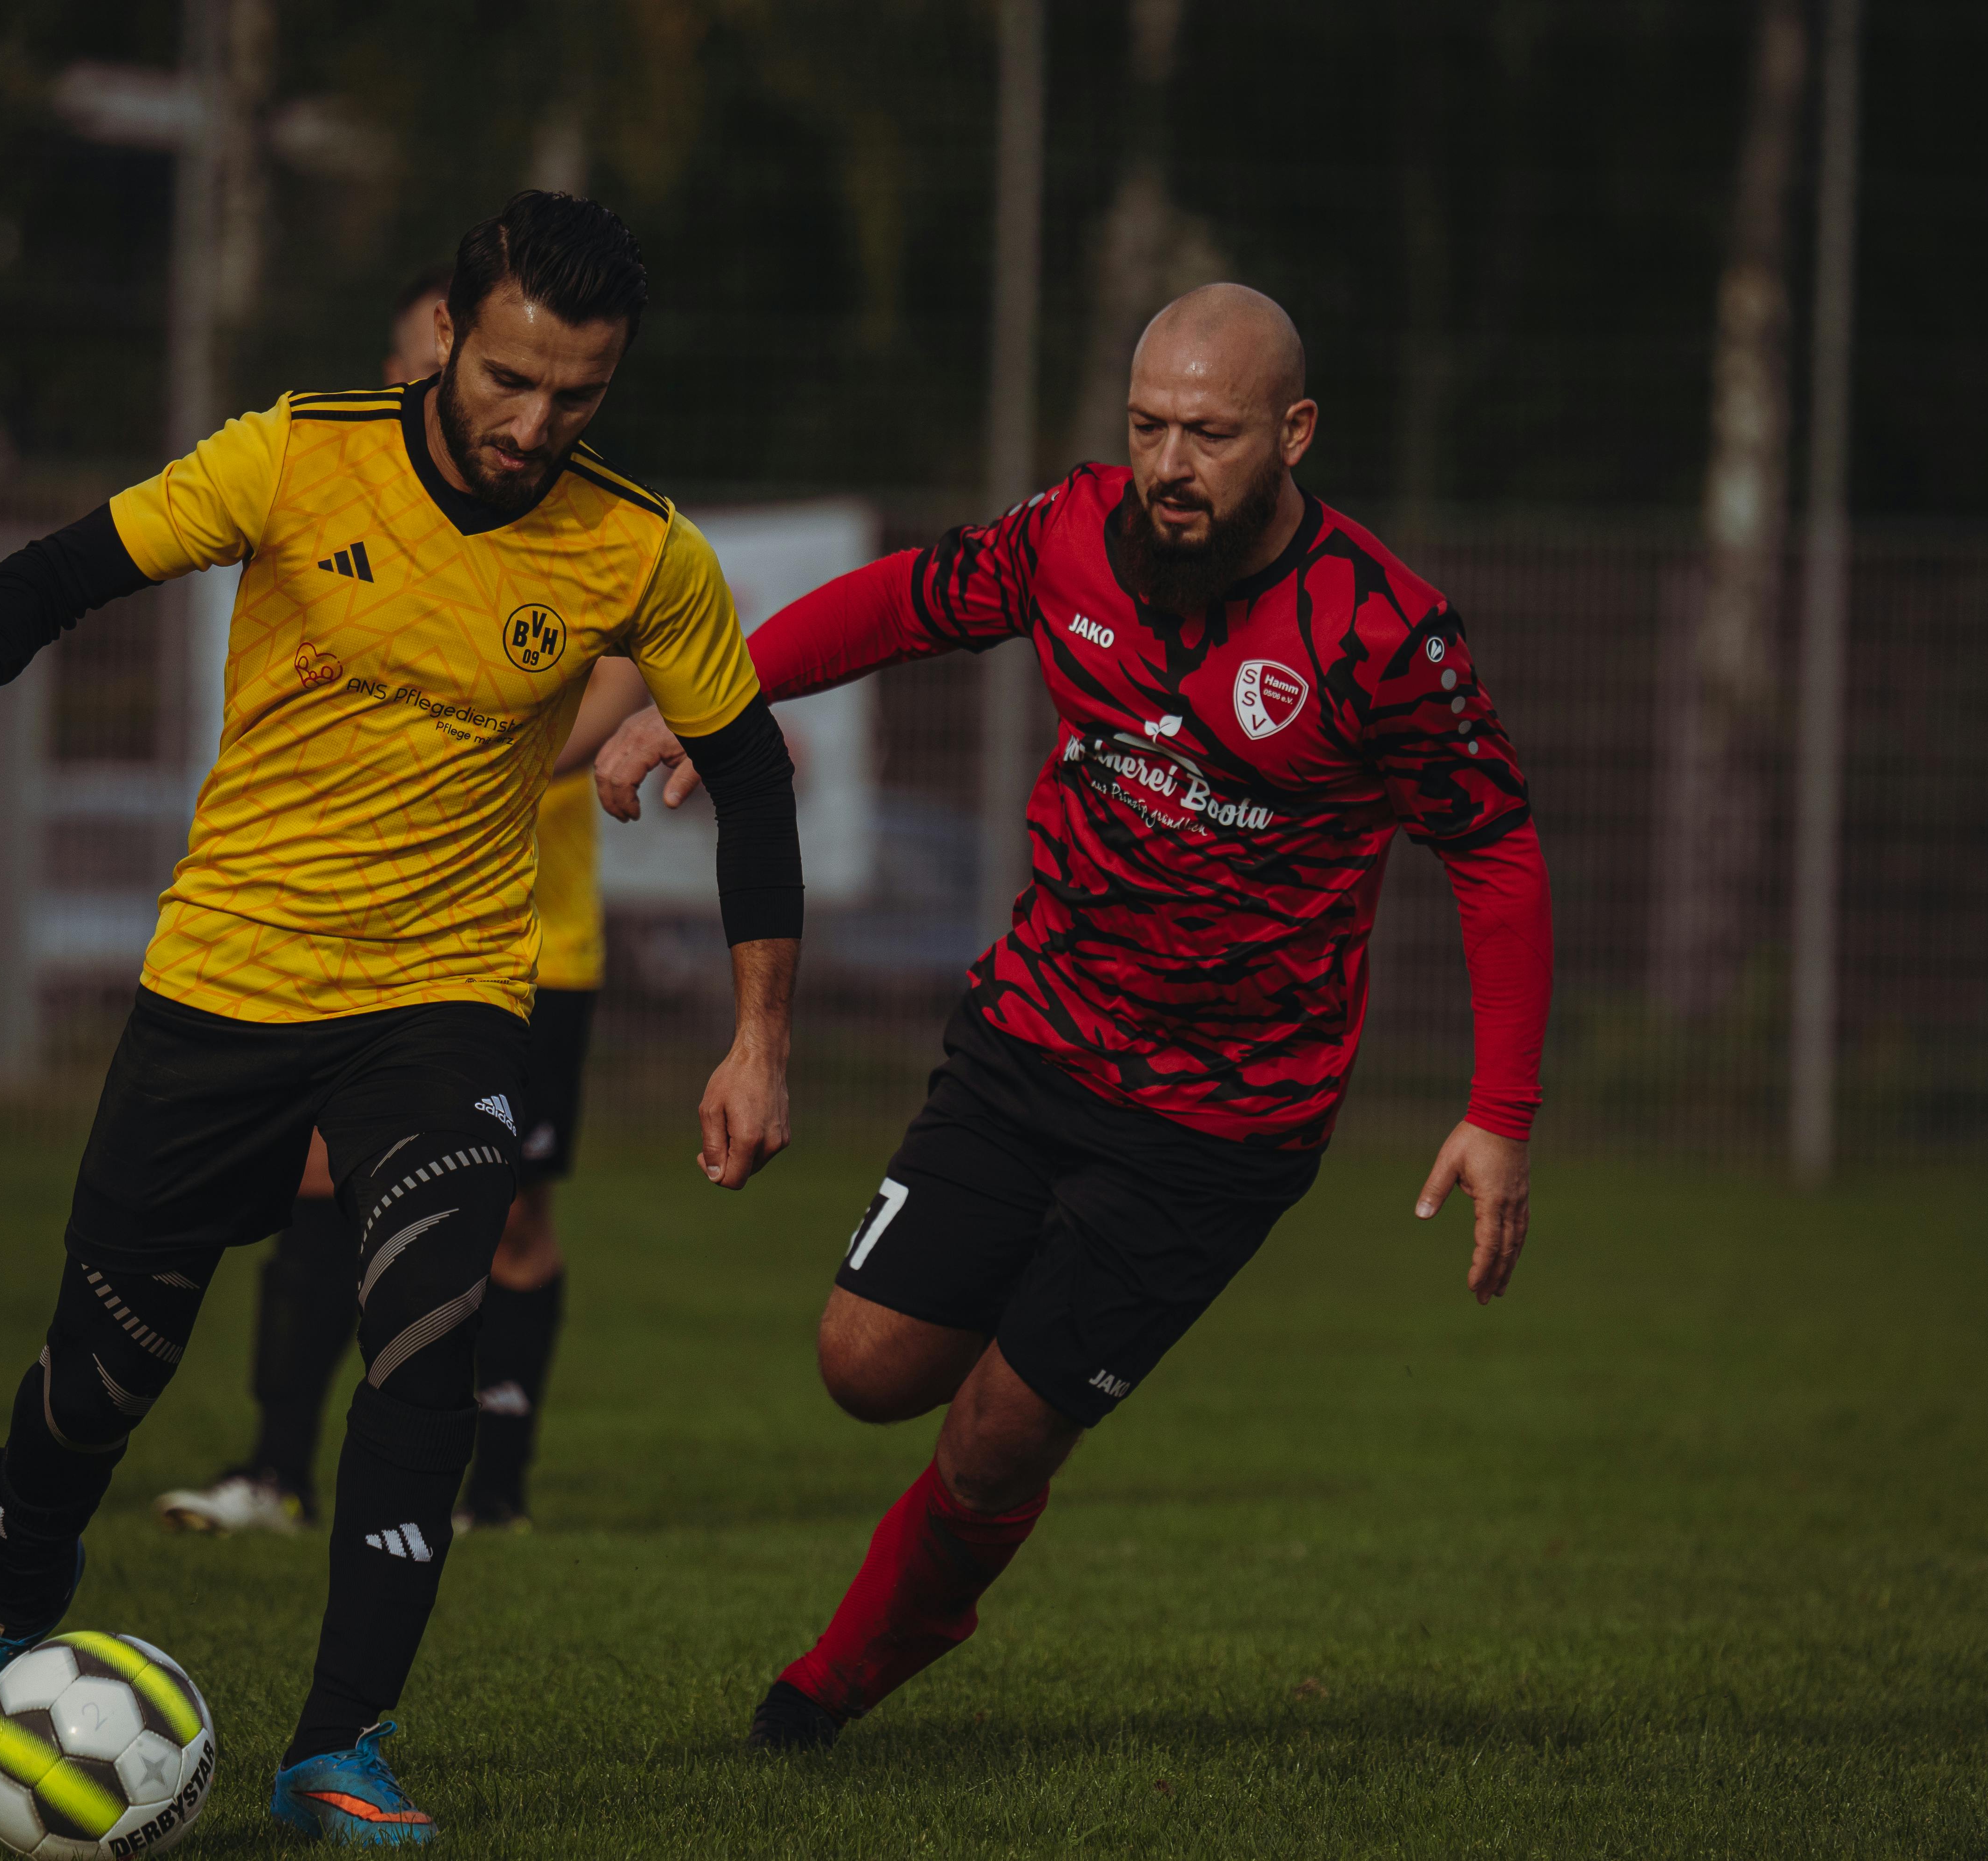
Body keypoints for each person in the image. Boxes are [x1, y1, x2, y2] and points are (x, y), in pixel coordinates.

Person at [0, 192, 802, 1844]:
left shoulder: (641, 549)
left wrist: (762, 1037)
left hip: (447, 996)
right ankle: (7, 1592)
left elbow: (754, 782)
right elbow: (63, 570)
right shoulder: (294, 453)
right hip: (228, 982)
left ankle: (339, 1746)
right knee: (103, 1373)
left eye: (578, 397)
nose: (534, 425)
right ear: (443, 336)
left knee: (426, 1344)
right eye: (507, 380)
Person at [597, 283, 1552, 1750]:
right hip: (1033, 1039)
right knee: (865, 1369)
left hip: (1221, 1121)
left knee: (994, 1435)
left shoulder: (1384, 633)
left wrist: (1499, 1116)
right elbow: (908, 602)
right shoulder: (1067, 537)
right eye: (1150, 426)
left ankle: (850, 1668)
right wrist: (706, 698)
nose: (1173, 463)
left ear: (1294, 433)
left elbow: (1494, 849)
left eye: (1213, 433)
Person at [151, 268, 650, 1538]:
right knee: (319, 1177)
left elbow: (630, 672)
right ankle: (274, 1471)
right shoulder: (342, 502)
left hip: (531, 949)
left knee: (510, 1220)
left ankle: (499, 1491)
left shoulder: (582, 529)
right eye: (426, 368)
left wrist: (483, 750)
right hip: (354, 936)